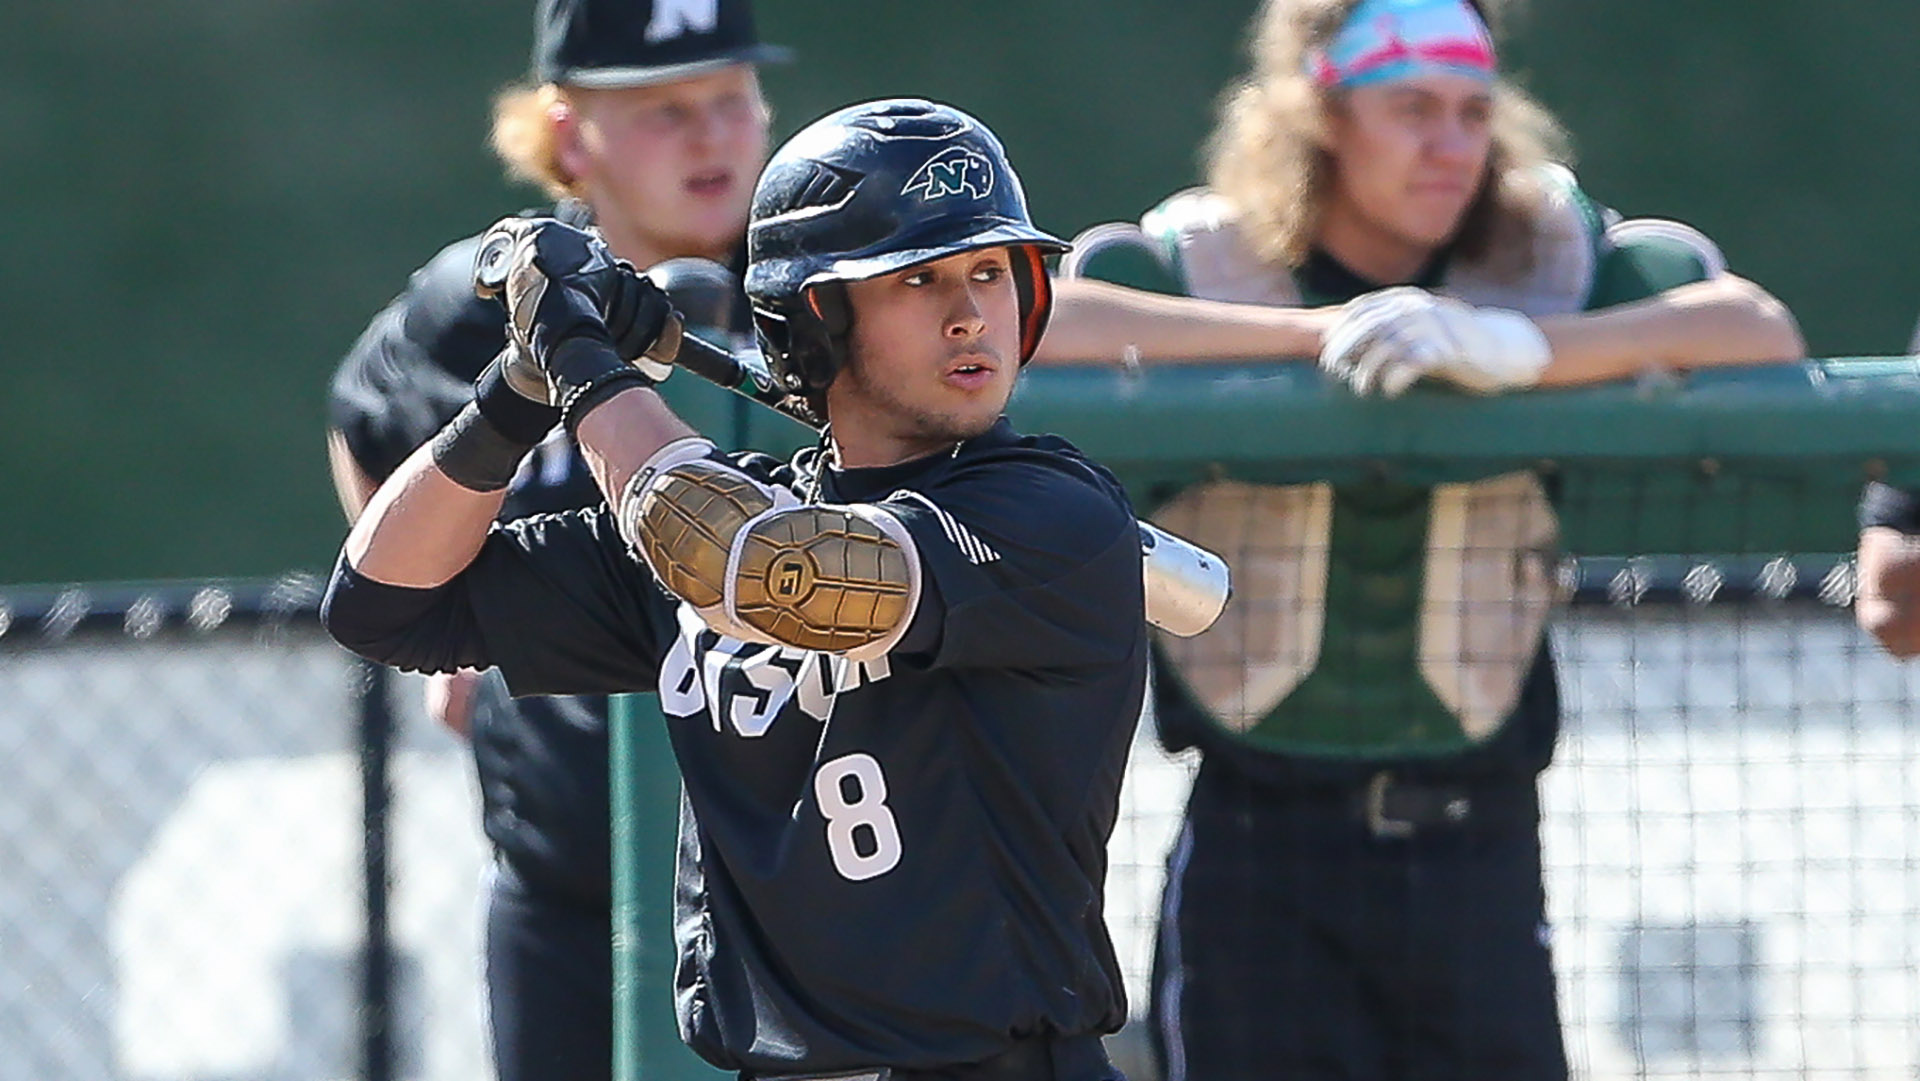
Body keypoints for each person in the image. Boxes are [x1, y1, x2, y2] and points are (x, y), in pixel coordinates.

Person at [1026, 1, 1805, 1079]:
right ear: (1322, 114)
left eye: (1473, 110)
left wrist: (1516, 346)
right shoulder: (1207, 260)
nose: (1451, 144)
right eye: (1412, 109)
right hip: (1258, 838)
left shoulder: (1552, 258)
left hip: (1479, 838)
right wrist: (1317, 336)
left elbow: (1754, 331)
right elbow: (1034, 328)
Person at [322, 98, 1149, 1081]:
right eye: (918, 279)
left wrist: (588, 371)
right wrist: (518, 388)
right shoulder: (733, 519)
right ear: (818, 317)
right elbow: (383, 600)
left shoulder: (1050, 513)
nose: (970, 312)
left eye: (989, 273)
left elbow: (762, 571)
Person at [322, 3, 784, 1079]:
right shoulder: (486, 294)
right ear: (571, 135)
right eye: (666, 109)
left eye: (732, 98)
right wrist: (445, 624)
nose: (712, 135)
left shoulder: (812, 281)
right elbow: (362, 411)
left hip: (787, 885)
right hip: (570, 877)